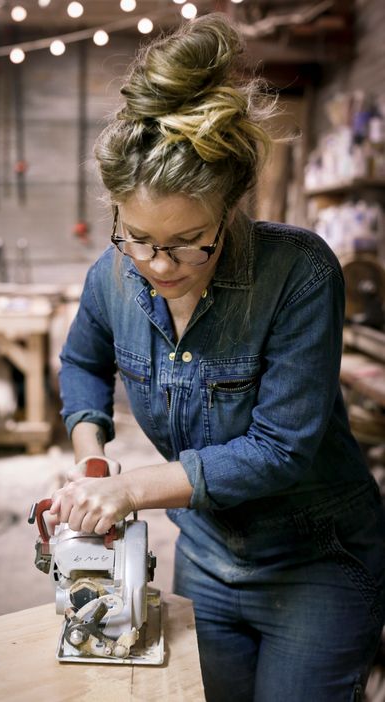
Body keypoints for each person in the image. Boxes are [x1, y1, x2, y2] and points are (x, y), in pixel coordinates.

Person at [50, 13, 385, 702]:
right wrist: (91, 459)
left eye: (186, 241)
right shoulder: (111, 278)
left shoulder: (300, 274)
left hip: (317, 562)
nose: (157, 264)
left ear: (231, 206)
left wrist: (131, 488)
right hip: (204, 558)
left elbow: (280, 448)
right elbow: (83, 362)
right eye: (135, 236)